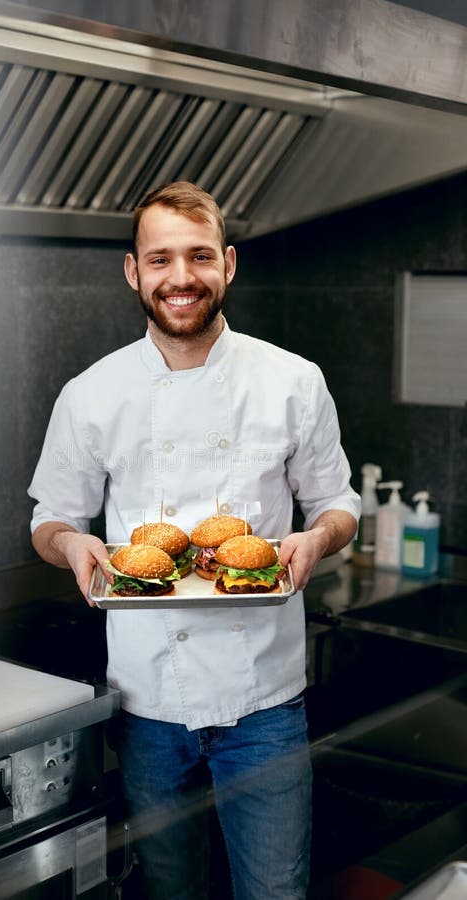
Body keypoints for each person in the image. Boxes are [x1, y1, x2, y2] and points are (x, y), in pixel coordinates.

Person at [28, 181, 360, 900]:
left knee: (274, 892)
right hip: (145, 701)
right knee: (170, 891)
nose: (181, 279)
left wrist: (317, 538)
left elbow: (337, 502)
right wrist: (72, 547)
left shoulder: (293, 382)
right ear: (134, 271)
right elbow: (52, 517)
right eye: (161, 260)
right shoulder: (92, 393)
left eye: (199, 257)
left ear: (228, 264)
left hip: (266, 704)